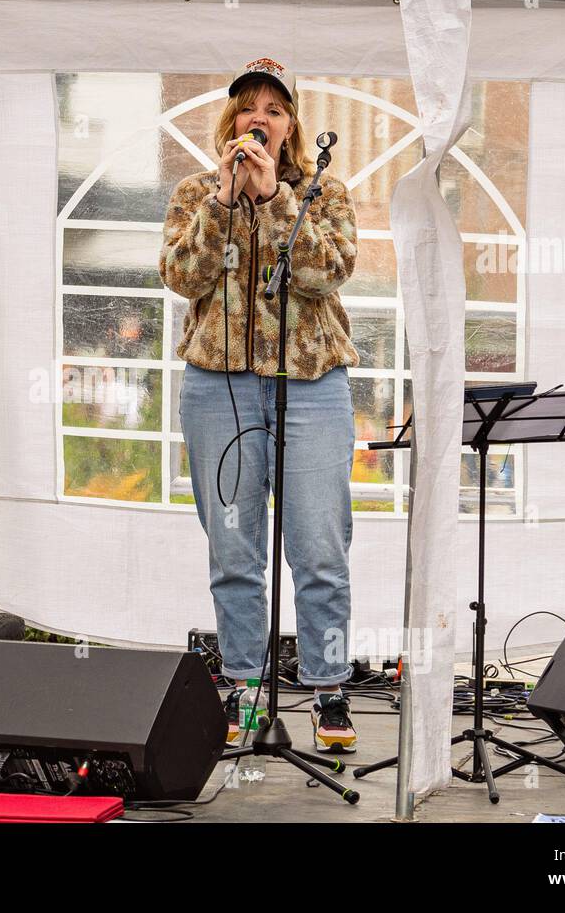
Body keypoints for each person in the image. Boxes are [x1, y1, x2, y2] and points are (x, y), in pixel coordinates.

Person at [159, 58, 360, 752]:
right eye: (249, 106)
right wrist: (223, 201)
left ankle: (329, 687)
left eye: (275, 108)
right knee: (234, 548)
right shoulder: (195, 193)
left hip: (311, 387)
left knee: (319, 547)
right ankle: (244, 686)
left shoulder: (320, 191)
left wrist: (274, 199)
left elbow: (325, 272)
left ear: (291, 126)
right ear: (231, 121)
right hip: (218, 386)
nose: (260, 117)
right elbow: (183, 276)